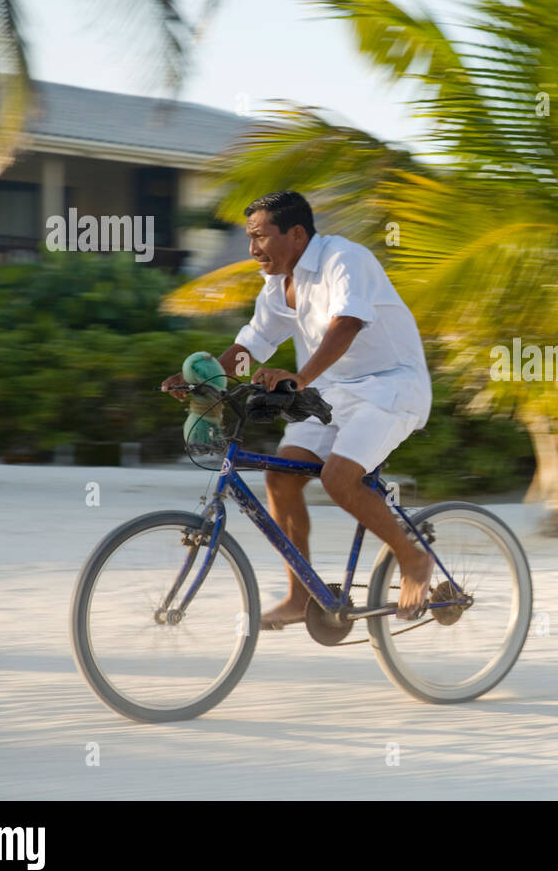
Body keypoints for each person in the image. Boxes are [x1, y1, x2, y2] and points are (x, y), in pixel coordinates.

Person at [161, 190, 434, 624]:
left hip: (390, 390)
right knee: (280, 478)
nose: (252, 249)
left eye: (260, 237)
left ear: (297, 234)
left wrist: (301, 378)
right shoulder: (277, 287)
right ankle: (300, 597)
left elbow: (347, 324)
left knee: (339, 479)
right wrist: (201, 379)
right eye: (249, 238)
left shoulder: (345, 259)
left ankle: (412, 558)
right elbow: (252, 346)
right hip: (332, 395)